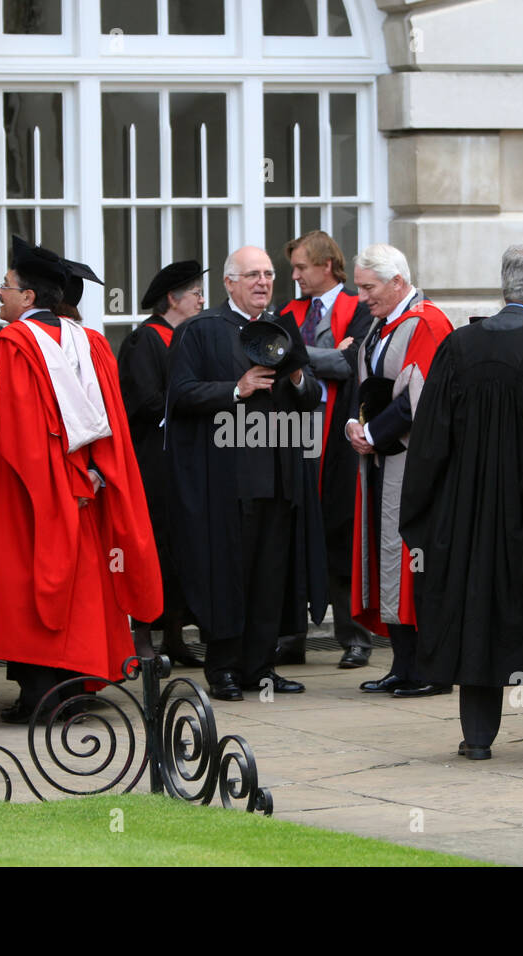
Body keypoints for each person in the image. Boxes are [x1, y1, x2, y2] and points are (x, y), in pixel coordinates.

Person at [402, 243, 523, 759]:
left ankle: (478, 738)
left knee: (475, 615)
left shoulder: (460, 346)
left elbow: (429, 440)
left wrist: (424, 516)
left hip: (467, 520)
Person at [0, 236, 163, 723]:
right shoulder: (93, 343)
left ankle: (41, 698)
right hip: (93, 489)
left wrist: (59, 490)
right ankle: (82, 690)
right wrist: (92, 480)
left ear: (28, 297)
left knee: (35, 587)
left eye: (6, 287)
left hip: (37, 495)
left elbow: (24, 438)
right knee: (88, 587)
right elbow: (114, 425)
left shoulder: (15, 343)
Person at [166, 245, 327, 701]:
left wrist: (296, 376)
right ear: (229, 282)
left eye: (269, 274)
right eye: (252, 275)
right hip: (227, 478)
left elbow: (311, 391)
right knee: (229, 577)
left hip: (279, 474)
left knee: (270, 575)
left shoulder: (281, 329)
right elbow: (181, 395)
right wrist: (236, 389)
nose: (262, 282)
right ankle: (224, 670)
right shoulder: (202, 330)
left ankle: (261, 666)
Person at [345, 243, 453, 698]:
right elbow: (373, 385)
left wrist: (373, 434)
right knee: (389, 559)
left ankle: (431, 667)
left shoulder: (427, 322)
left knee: (413, 560)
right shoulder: (381, 323)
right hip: (384, 457)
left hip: (415, 461)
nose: (362, 297)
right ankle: (404, 665)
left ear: (396, 282)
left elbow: (420, 395)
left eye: (369, 287)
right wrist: (356, 422)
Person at [276, 231, 375, 669]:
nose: (294, 276)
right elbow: (277, 359)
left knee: (341, 532)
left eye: (300, 267)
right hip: (293, 434)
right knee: (292, 537)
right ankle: (290, 637)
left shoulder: (359, 307)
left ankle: (353, 636)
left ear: (327, 266)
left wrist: (299, 354)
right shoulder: (288, 310)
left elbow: (352, 365)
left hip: (339, 434)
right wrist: (326, 353)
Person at [116, 259, 206, 667]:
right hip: (153, 463)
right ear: (173, 298)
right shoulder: (145, 341)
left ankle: (175, 634)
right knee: (152, 548)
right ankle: (143, 635)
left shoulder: (190, 337)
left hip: (185, 462)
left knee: (183, 548)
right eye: (195, 294)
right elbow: (145, 401)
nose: (202, 301)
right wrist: (191, 406)